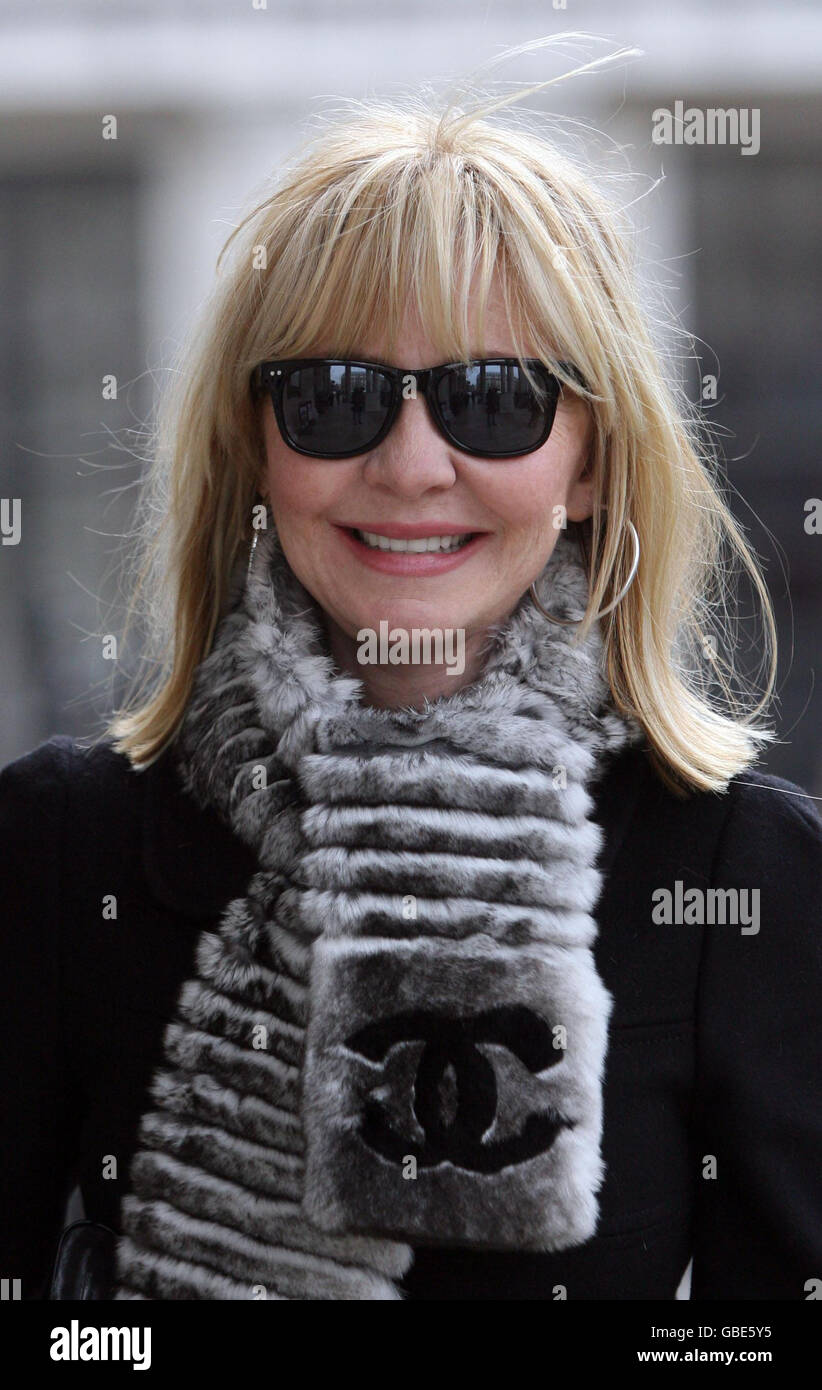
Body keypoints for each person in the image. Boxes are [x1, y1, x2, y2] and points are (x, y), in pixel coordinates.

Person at [2, 65, 821, 1303]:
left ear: (591, 462)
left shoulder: (744, 874)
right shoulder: (64, 848)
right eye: (333, 397)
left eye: (494, 400)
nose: (412, 464)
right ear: (258, 449)